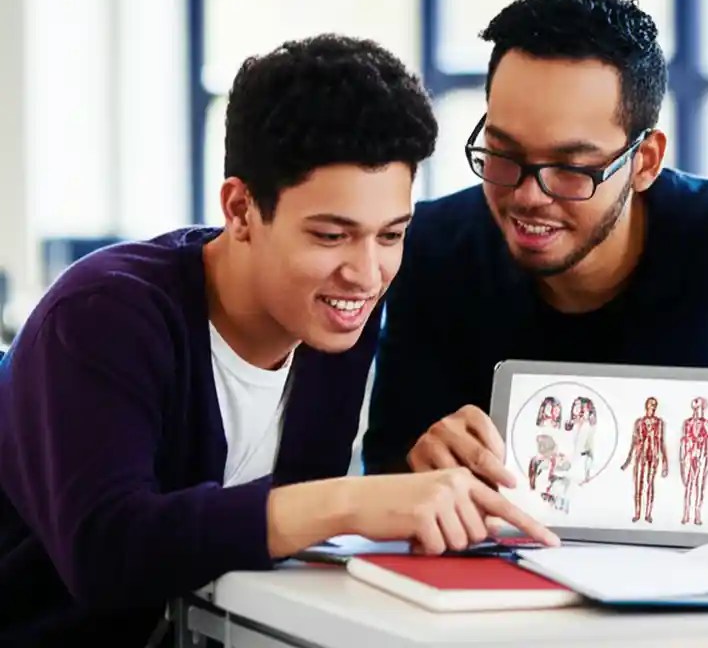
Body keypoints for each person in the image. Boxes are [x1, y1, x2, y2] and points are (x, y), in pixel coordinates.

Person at [0, 34, 556, 645]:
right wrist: (347, 503)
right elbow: (107, 552)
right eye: (330, 236)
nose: (367, 274)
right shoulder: (104, 313)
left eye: (391, 235)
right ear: (240, 209)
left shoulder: (332, 317)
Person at [364, 0, 708, 541]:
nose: (529, 196)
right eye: (503, 155)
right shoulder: (432, 247)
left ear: (644, 162)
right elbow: (388, 468)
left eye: (571, 168)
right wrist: (418, 465)